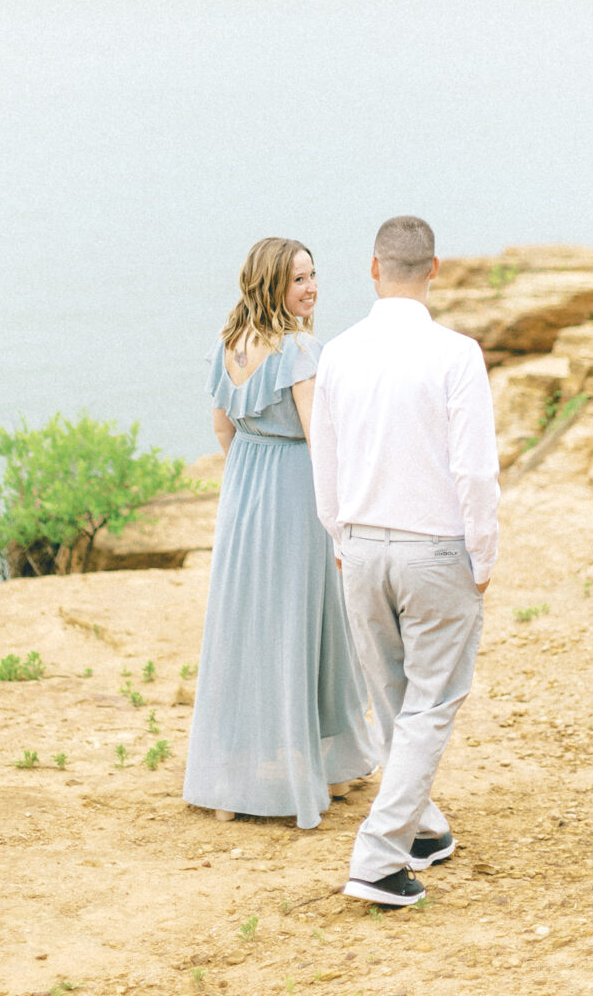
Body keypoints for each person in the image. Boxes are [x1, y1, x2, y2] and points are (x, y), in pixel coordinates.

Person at [311, 215, 499, 907]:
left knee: (393, 694)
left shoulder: (338, 353)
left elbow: (323, 461)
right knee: (432, 701)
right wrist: (484, 550)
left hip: (360, 546)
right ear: (435, 269)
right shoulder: (457, 353)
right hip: (433, 549)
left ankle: (420, 828)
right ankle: (378, 856)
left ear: (373, 268)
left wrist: (339, 537)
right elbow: (475, 471)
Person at [183, 236, 376, 830]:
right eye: (298, 279)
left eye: (313, 275)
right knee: (309, 621)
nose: (311, 287)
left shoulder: (228, 345)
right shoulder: (299, 349)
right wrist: (342, 513)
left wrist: (251, 474)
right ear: (271, 284)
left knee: (247, 624)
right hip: (296, 490)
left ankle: (232, 782)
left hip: (245, 489)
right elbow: (321, 437)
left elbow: (222, 430)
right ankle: (331, 769)